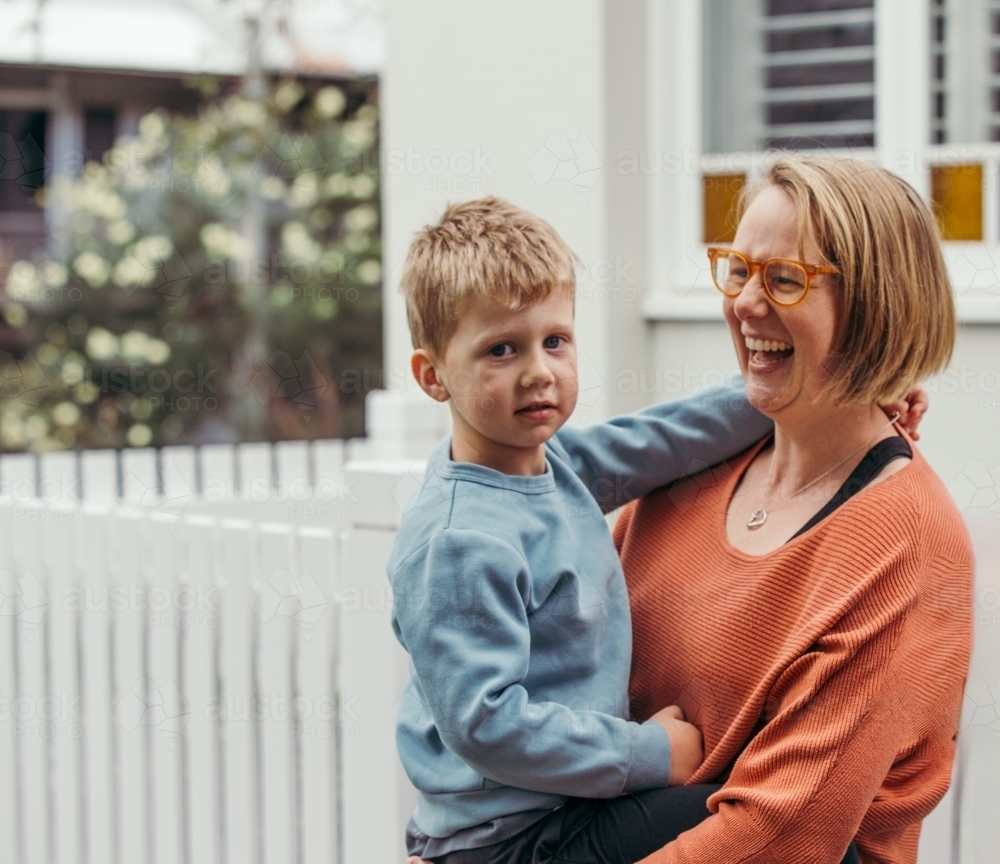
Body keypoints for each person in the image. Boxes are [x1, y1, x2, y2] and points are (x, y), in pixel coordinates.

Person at [388, 196, 782, 864]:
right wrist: (647, 754)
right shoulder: (458, 540)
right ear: (433, 376)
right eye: (501, 350)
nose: (539, 370)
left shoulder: (553, 462)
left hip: (562, 805)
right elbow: (484, 724)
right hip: (511, 839)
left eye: (555, 341)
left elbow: (666, 438)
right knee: (768, 831)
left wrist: (810, 391)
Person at [615, 156, 973, 864]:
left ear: (877, 304)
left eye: (784, 280)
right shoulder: (694, 466)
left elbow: (780, 836)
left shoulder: (907, 544)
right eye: (739, 269)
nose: (746, 303)